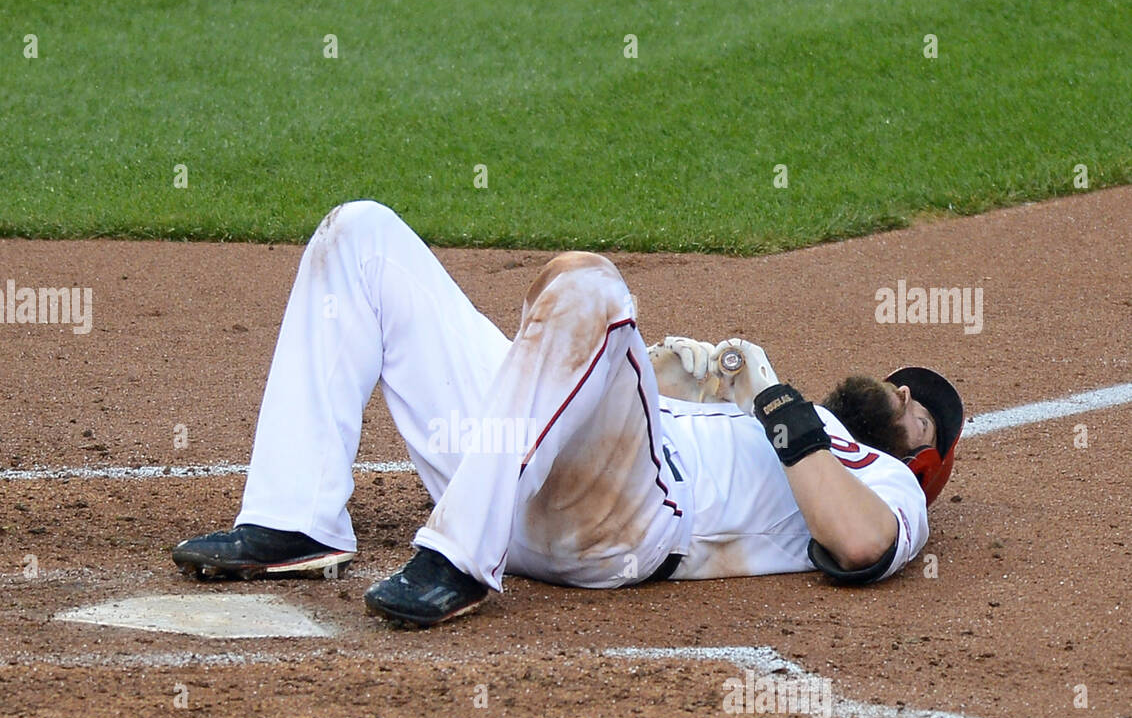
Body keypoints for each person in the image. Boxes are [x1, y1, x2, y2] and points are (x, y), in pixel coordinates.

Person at [173, 201, 964, 627]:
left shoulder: (886, 487)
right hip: (516, 474)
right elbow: (625, 424)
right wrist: (663, 383)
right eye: (901, 381)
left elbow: (857, 543)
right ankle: (295, 522)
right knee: (363, 234)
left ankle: (457, 562)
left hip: (615, 532)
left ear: (924, 463)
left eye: (918, 409)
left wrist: (775, 398)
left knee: (589, 284)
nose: (900, 392)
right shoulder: (761, 420)